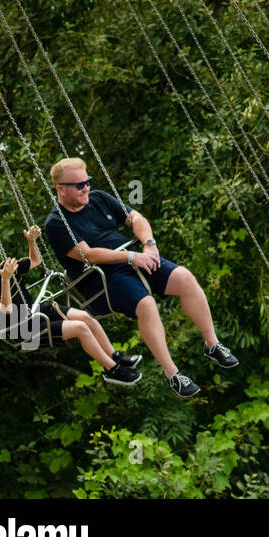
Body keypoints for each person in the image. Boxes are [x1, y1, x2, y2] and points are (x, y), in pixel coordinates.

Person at [42, 158, 238, 399]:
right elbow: (88, 255)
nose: (86, 189)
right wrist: (130, 257)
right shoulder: (56, 223)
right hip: (101, 280)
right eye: (79, 185)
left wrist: (149, 244)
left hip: (133, 258)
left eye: (88, 182)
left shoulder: (100, 198)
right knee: (146, 304)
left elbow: (136, 218)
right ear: (61, 189)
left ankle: (212, 344)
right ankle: (173, 374)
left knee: (185, 277)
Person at [0, 226, 143, 385]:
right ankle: (112, 369)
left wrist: (31, 241)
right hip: (21, 330)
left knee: (85, 317)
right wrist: (6, 279)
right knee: (81, 328)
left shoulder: (8, 268)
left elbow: (34, 261)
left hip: (33, 312)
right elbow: (7, 309)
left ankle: (114, 355)